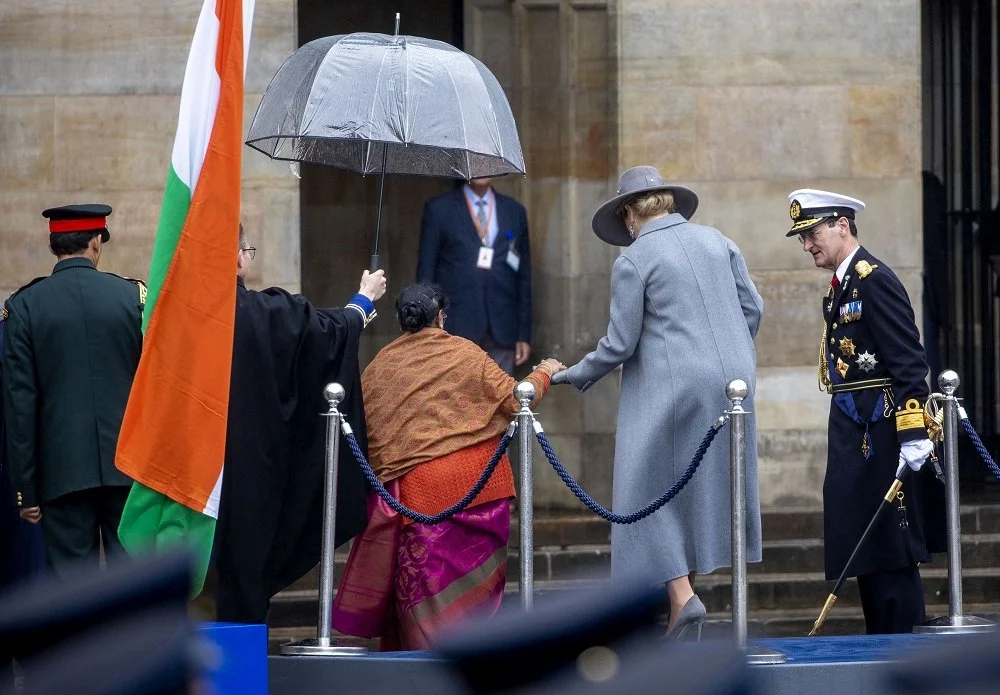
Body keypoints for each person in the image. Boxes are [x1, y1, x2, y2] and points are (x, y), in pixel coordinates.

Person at [551, 166, 764, 639]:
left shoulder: (634, 259)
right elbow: (754, 308)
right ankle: (683, 594)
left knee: (642, 489)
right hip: (736, 381)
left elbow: (620, 343)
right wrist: (727, 351)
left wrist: (569, 374)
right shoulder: (718, 240)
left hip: (673, 383)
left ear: (629, 215)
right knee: (703, 484)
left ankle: (681, 597)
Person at [331, 282, 564, 650]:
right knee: (470, 608)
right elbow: (517, 398)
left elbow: (366, 432)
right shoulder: (464, 353)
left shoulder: (380, 367)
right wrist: (546, 371)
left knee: (420, 602)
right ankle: (470, 666)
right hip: (478, 493)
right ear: (441, 317)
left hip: (412, 501)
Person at [787, 188, 944, 634]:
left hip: (882, 427)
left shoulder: (873, 279)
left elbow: (910, 361)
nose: (806, 245)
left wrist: (913, 432)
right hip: (856, 428)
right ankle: (882, 639)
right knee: (866, 542)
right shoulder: (843, 283)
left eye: (812, 233)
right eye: (801, 237)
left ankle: (899, 641)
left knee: (889, 546)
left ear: (842, 224)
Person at [212, 225, 387, 623]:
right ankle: (242, 675)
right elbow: (325, 334)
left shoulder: (180, 316)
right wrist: (364, 298)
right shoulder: (265, 314)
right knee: (245, 576)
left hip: (191, 474)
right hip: (248, 472)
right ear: (239, 257)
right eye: (248, 250)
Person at [1, 204, 144, 579]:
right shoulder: (133, 298)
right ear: (96, 242)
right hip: (127, 468)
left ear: (54, 246)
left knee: (71, 592)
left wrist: (25, 492)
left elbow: (20, 407)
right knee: (130, 586)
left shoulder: (23, 307)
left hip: (61, 473)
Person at [416, 177, 532, 374]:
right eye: (476, 158)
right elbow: (426, 274)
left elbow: (524, 277)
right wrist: (427, 328)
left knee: (501, 399)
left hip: (503, 328)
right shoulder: (439, 209)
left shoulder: (514, 210)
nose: (482, 166)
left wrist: (524, 334)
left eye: (488, 159)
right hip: (455, 326)